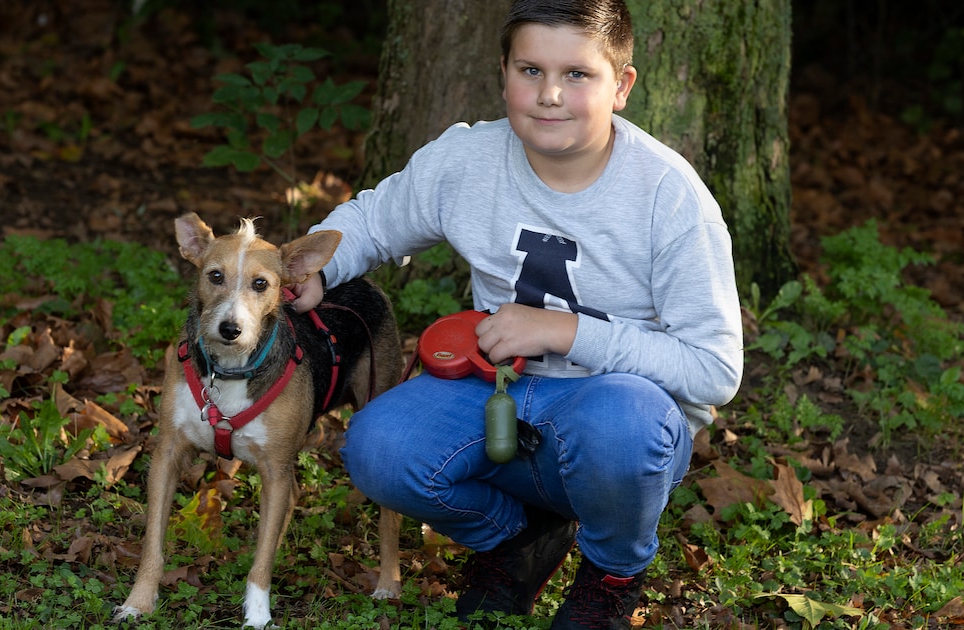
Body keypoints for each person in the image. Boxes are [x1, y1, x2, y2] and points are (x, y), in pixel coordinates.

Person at [290, 0, 743, 627]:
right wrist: (315, 268)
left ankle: (613, 569)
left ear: (623, 86)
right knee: (379, 448)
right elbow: (373, 219)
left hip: (616, 417)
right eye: (530, 70)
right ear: (503, 72)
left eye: (577, 74)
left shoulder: (669, 195)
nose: (550, 94)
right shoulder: (469, 161)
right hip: (497, 388)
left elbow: (714, 370)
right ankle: (516, 539)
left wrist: (566, 331)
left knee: (621, 425)